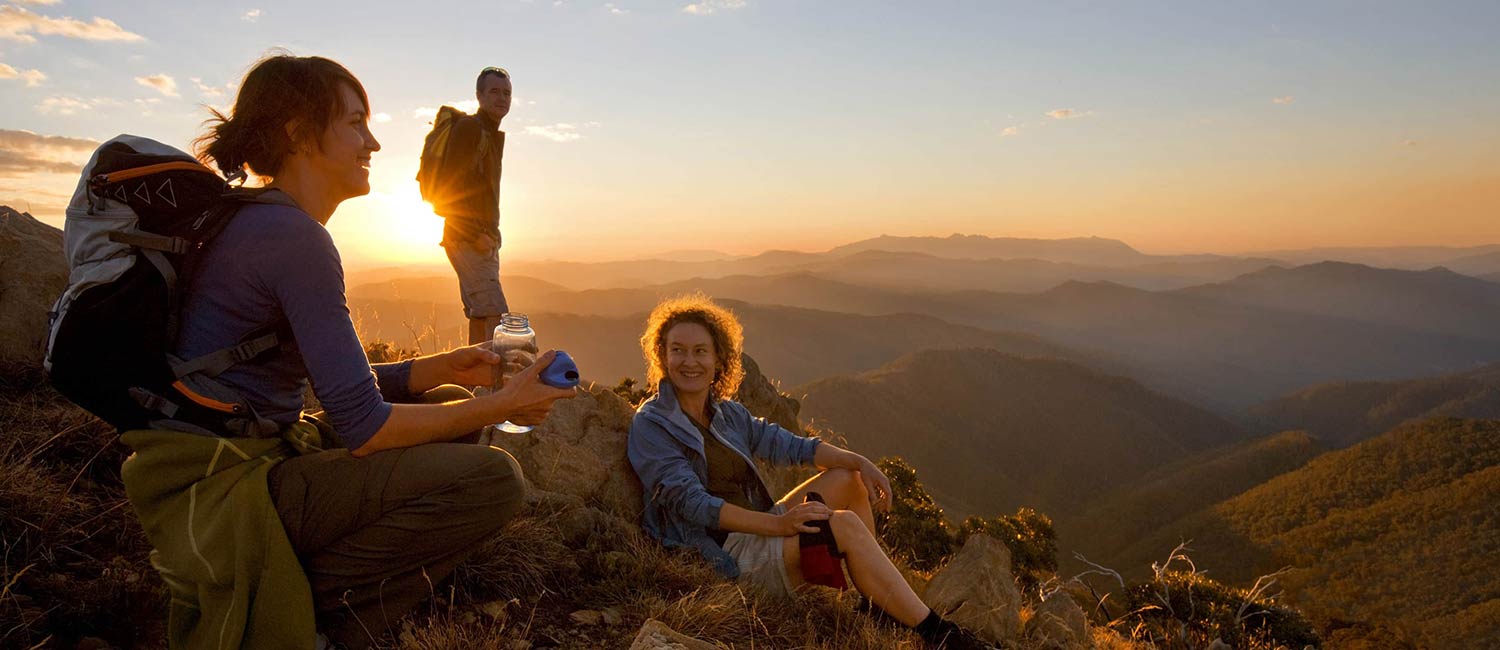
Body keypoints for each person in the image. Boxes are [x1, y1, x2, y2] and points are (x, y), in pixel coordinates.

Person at [129, 54, 574, 650]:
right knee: (495, 479)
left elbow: (323, 384)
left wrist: (436, 368)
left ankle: (330, 581)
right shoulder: (295, 238)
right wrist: (502, 404)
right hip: (226, 487)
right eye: (356, 123)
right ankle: (318, 612)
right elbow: (363, 427)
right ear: (297, 133)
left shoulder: (260, 222)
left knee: (443, 400)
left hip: (232, 455)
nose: (374, 141)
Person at [626, 295, 993, 650]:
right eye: (678, 350)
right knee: (845, 524)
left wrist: (858, 461)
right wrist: (780, 526)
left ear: (718, 358)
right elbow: (692, 505)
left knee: (848, 480)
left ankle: (879, 602)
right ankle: (940, 635)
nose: (689, 362)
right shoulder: (653, 426)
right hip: (722, 554)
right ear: (662, 356)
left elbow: (788, 445)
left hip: (759, 526)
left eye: (700, 351)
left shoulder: (726, 414)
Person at [432, 66, 512, 345]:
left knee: (481, 315)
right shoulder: (470, 130)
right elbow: (447, 189)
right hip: (467, 238)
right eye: (494, 92)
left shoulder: (488, 134)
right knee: (496, 315)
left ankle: (477, 382)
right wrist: (474, 234)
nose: (502, 98)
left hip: (480, 238)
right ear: (479, 96)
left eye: (506, 93)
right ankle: (494, 384)